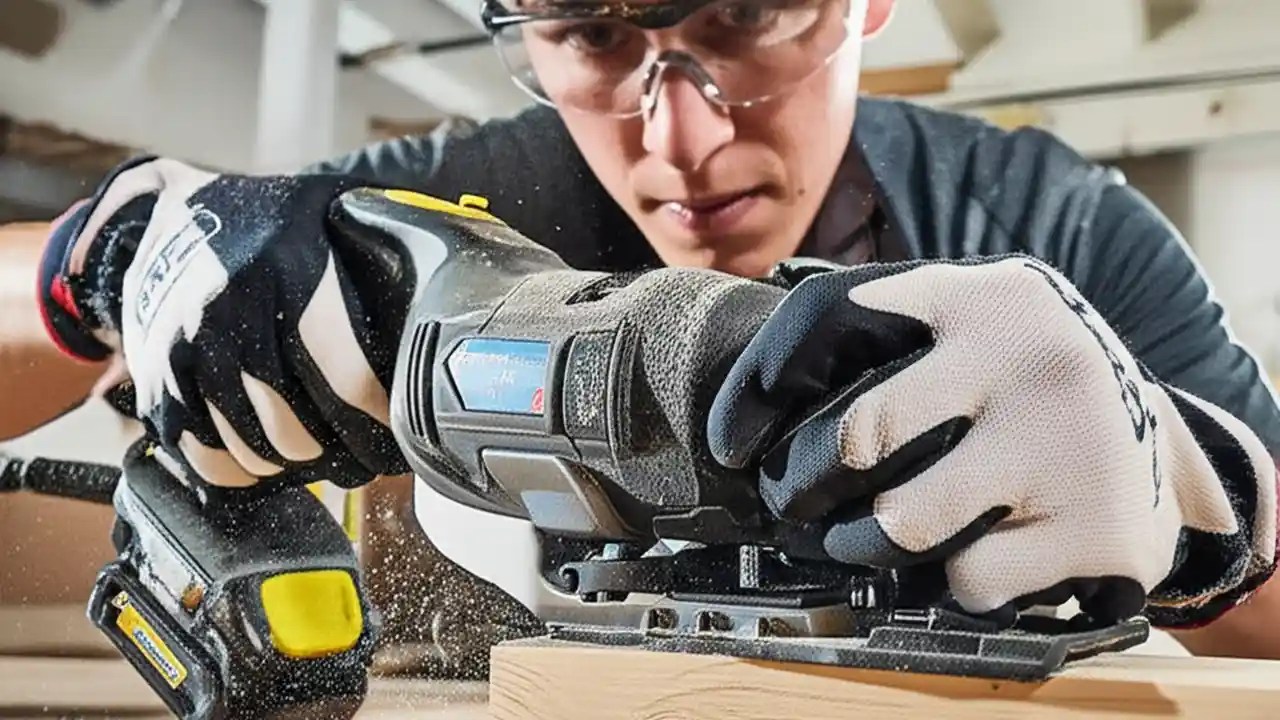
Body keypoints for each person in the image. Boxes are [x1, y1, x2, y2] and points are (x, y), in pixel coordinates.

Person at [8, 0, 1280, 657]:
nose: (679, 143)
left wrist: (1195, 508)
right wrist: (100, 262)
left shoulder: (1045, 217)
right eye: (593, 33)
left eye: (744, 17)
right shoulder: (444, 215)